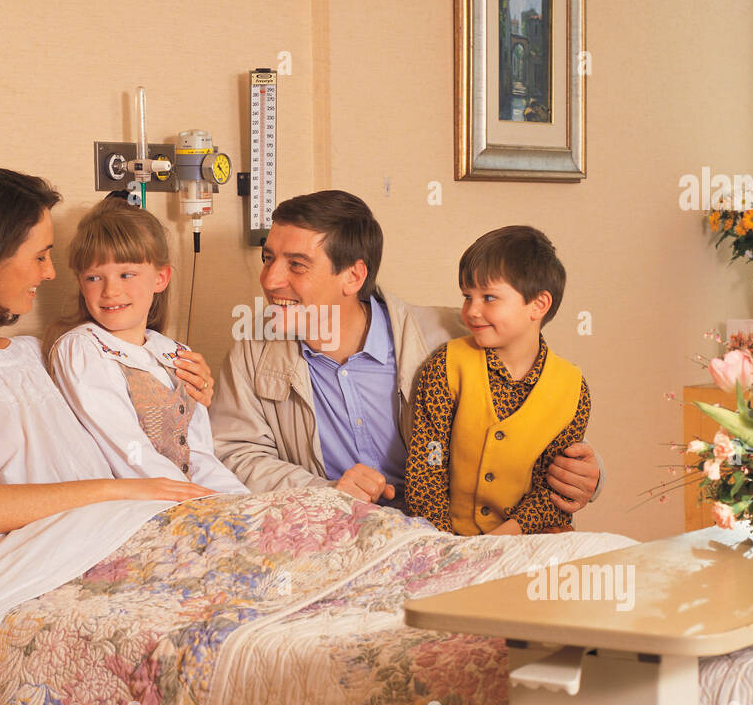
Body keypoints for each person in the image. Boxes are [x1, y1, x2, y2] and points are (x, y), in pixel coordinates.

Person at [0, 168, 213, 547]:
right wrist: (118, 492)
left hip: (117, 536)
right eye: (40, 257)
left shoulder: (38, 354)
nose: (50, 273)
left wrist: (179, 383)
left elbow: (122, 407)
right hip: (33, 562)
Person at [209, 190, 603, 512]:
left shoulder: (451, 336)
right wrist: (325, 491)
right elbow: (235, 453)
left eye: (296, 265)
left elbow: (536, 408)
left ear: (353, 276)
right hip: (337, 532)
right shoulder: (252, 353)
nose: (270, 279)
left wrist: (590, 474)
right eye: (268, 258)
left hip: (450, 532)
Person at [44, 198, 247, 494]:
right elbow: (130, 453)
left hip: (190, 499)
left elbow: (200, 455)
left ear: (161, 278)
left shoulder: (176, 353)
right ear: (80, 282)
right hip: (136, 506)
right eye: (94, 277)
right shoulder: (81, 350)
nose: (111, 290)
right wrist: (202, 502)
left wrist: (239, 501)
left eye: (127, 274)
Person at [405, 226, 590, 535]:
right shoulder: (445, 366)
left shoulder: (572, 389)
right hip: (449, 540)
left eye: (488, 297)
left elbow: (554, 488)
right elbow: (428, 463)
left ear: (538, 305)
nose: (471, 311)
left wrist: (504, 538)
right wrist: (446, 543)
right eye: (467, 296)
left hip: (532, 539)